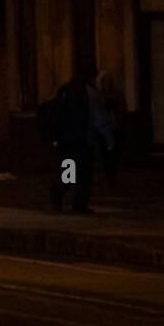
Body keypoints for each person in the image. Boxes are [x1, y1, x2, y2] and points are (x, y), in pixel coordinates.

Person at [46, 63, 111, 214]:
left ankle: (58, 193)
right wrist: (109, 140)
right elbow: (99, 119)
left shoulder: (64, 90)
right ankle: (79, 205)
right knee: (84, 175)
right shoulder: (90, 93)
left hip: (66, 142)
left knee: (68, 172)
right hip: (83, 142)